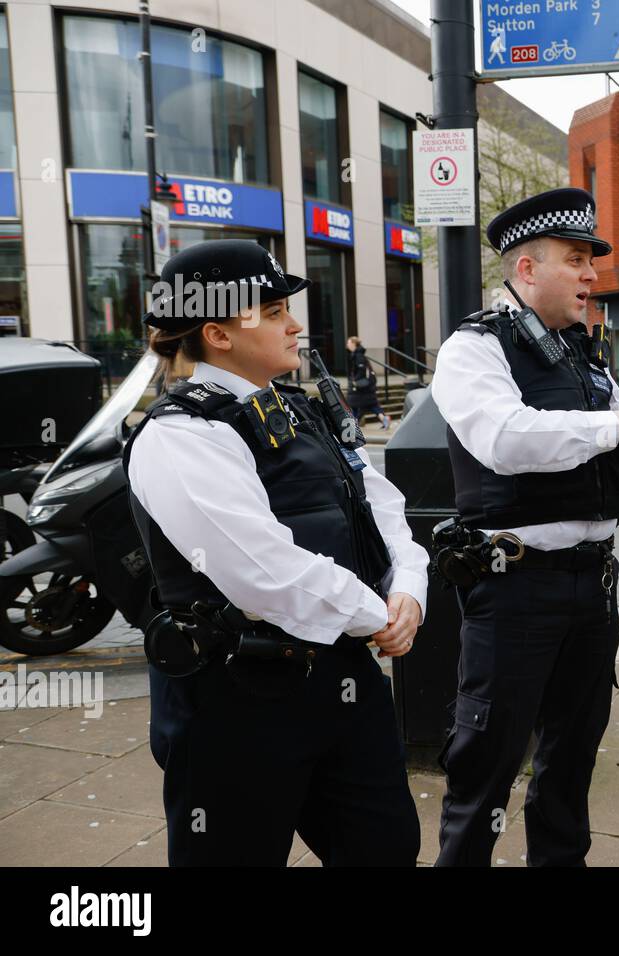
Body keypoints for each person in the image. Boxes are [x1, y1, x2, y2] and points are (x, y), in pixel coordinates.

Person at [430, 187, 619, 866]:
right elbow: (506, 438)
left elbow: (607, 453)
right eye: (577, 260)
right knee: (486, 765)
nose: (592, 275)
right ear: (526, 269)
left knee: (572, 757)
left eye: (592, 261)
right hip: (515, 589)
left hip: (592, 586)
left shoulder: (581, 355)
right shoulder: (474, 347)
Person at [123, 239, 429, 866]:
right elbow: (260, 571)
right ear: (217, 333)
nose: (294, 325)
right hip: (237, 703)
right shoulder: (180, 434)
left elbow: (379, 503)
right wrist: (378, 614)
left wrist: (410, 588)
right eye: (271, 311)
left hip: (343, 683)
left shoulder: (296, 409)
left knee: (387, 848)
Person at [345, 335, 391, 429]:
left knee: (354, 405)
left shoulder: (358, 356)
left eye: (349, 343)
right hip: (365, 388)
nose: (347, 345)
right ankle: (384, 419)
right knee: (370, 405)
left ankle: (353, 425)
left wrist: (354, 381)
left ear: (354, 344)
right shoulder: (357, 354)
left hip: (360, 387)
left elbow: (361, 370)